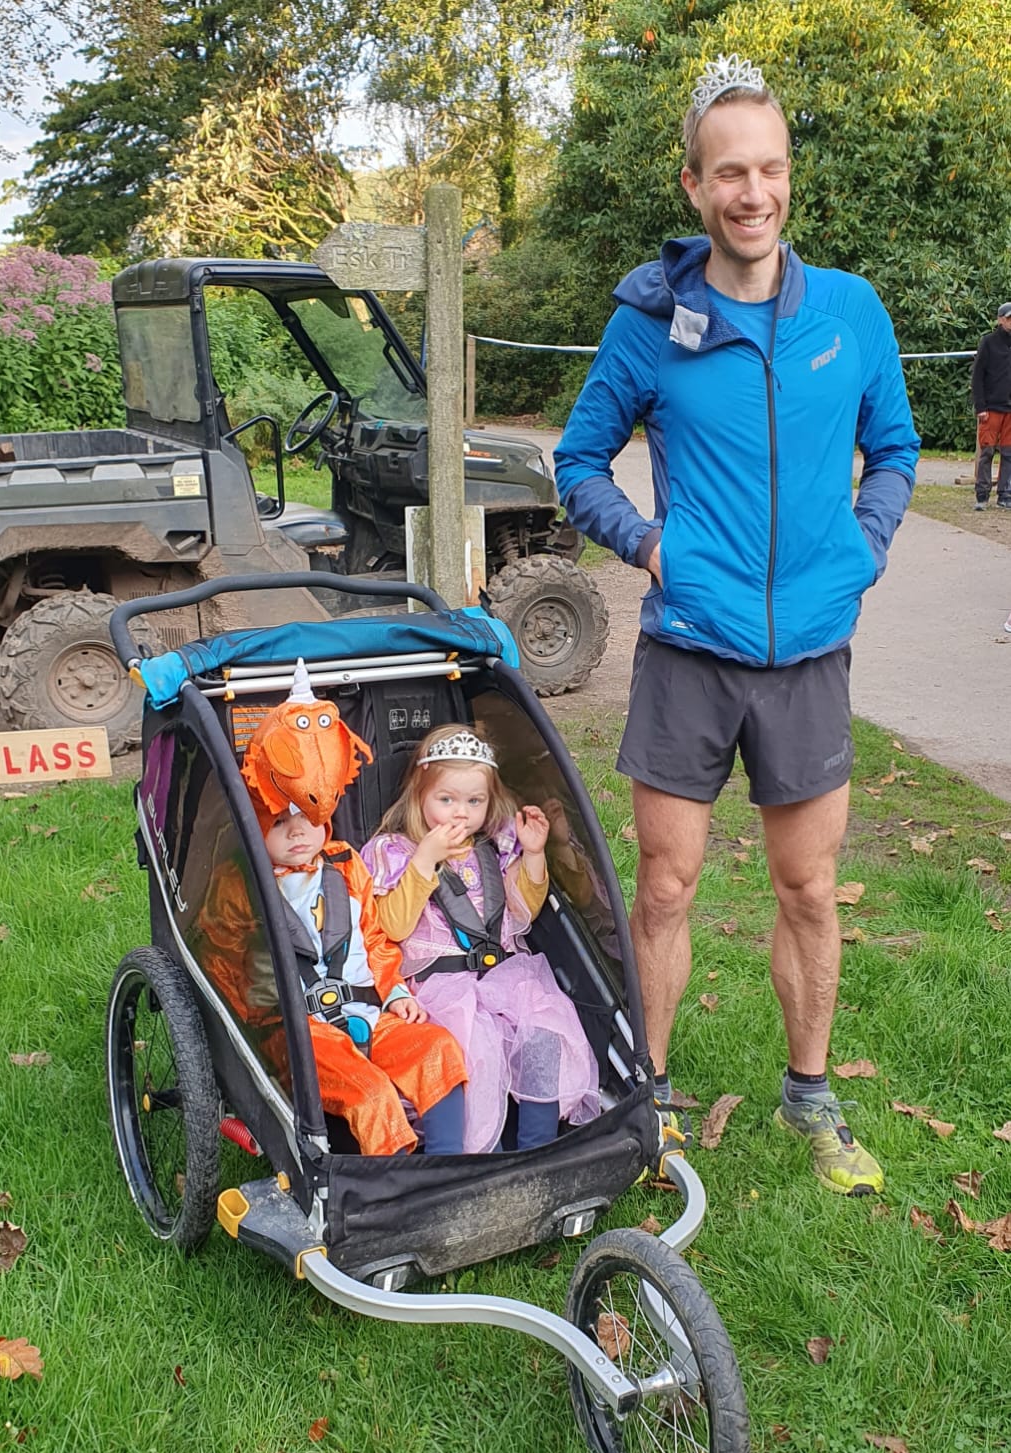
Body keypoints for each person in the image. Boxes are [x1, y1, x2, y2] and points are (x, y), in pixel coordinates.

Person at [553, 53, 920, 1196]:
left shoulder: (850, 313)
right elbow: (576, 461)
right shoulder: (649, 323)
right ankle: (648, 1101)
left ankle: (809, 1095)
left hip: (806, 655)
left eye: (767, 170)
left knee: (806, 888)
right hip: (688, 654)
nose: (749, 193)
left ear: (787, 177)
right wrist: (648, 545)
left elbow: (894, 448)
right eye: (726, 173)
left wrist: (861, 549)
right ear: (693, 186)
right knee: (664, 887)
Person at [197, 661, 468, 1157]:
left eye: (308, 819)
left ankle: (449, 1165)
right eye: (280, 823)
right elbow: (224, 960)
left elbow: (375, 940)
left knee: (438, 1050)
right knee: (371, 1092)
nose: (298, 833)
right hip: (298, 1030)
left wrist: (394, 993)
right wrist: (257, 1027)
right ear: (256, 826)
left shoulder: (344, 866)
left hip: (366, 1008)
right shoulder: (243, 884)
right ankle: (394, 1187)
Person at [362, 725, 600, 1154]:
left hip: (505, 977)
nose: (461, 813)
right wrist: (425, 860)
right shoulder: (395, 851)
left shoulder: (492, 847)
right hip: (440, 987)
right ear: (419, 795)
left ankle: (537, 1149)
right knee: (473, 1049)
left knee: (545, 1029)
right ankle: (479, 1155)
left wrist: (532, 853)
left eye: (475, 802)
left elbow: (523, 912)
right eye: (446, 800)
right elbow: (391, 926)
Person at [971, 303, 1011, 512]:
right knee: (986, 452)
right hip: (991, 408)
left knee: (1009, 453)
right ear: (1000, 320)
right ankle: (982, 495)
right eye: (1009, 318)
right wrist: (980, 406)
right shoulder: (988, 342)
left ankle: (1005, 494)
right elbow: (977, 376)